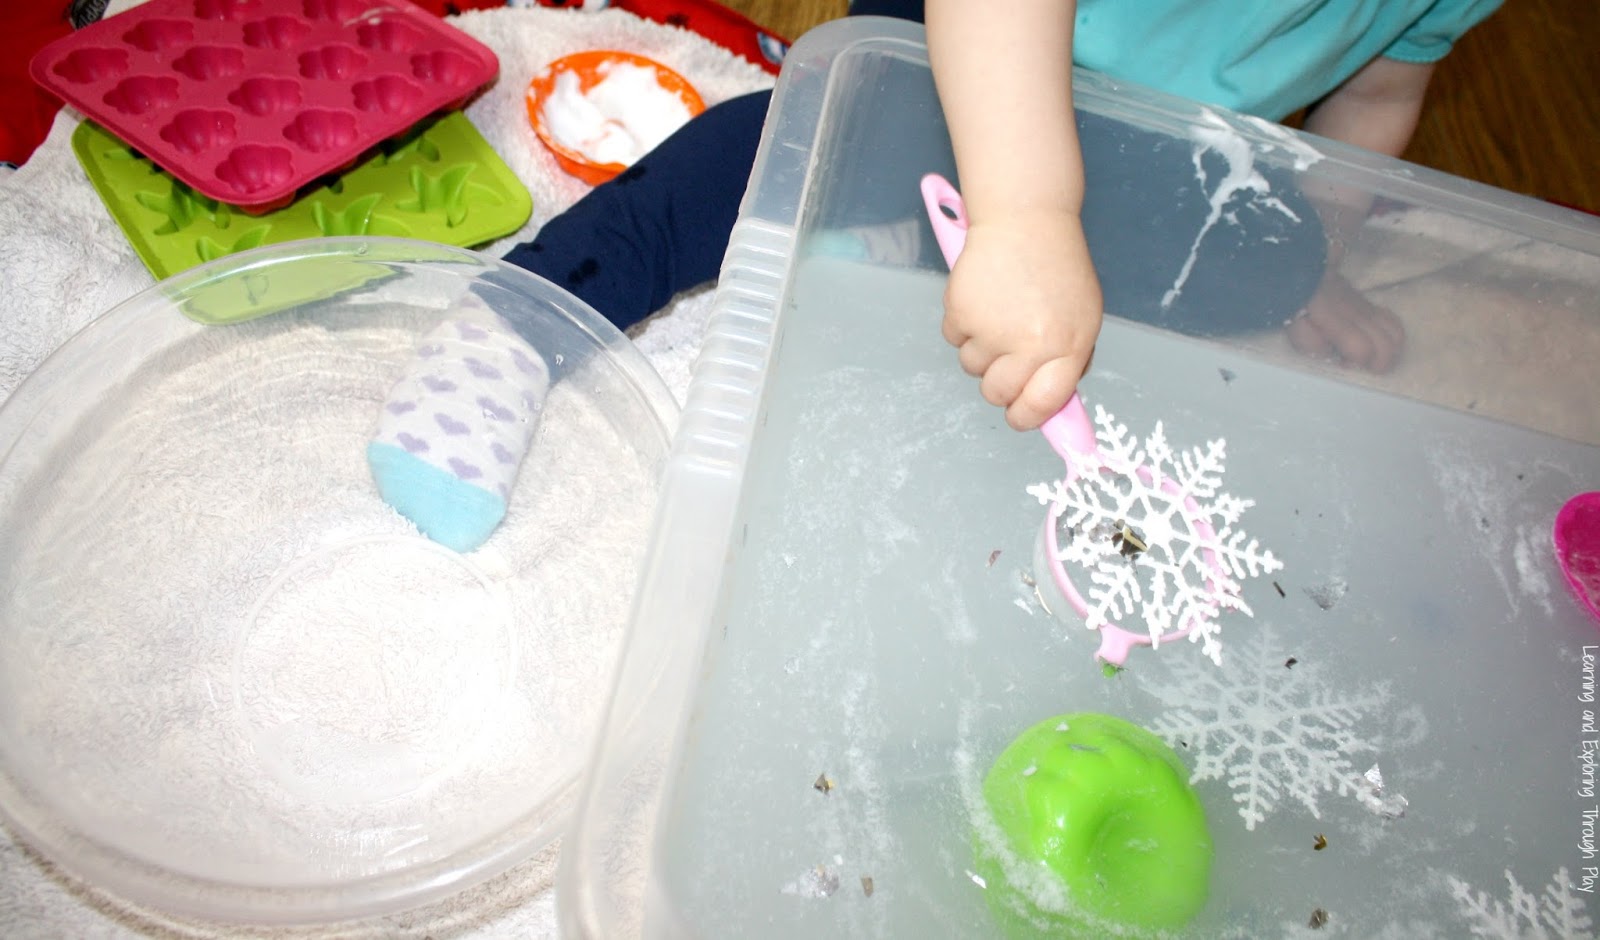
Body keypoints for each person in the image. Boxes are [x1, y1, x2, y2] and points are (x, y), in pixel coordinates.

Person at [503, 0, 1503, 429]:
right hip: (975, 30)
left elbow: (1374, 100)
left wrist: (1318, 257)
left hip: (1132, 125)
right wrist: (1027, 209)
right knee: (834, 128)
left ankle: (920, 234)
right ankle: (526, 314)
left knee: (1272, 257)